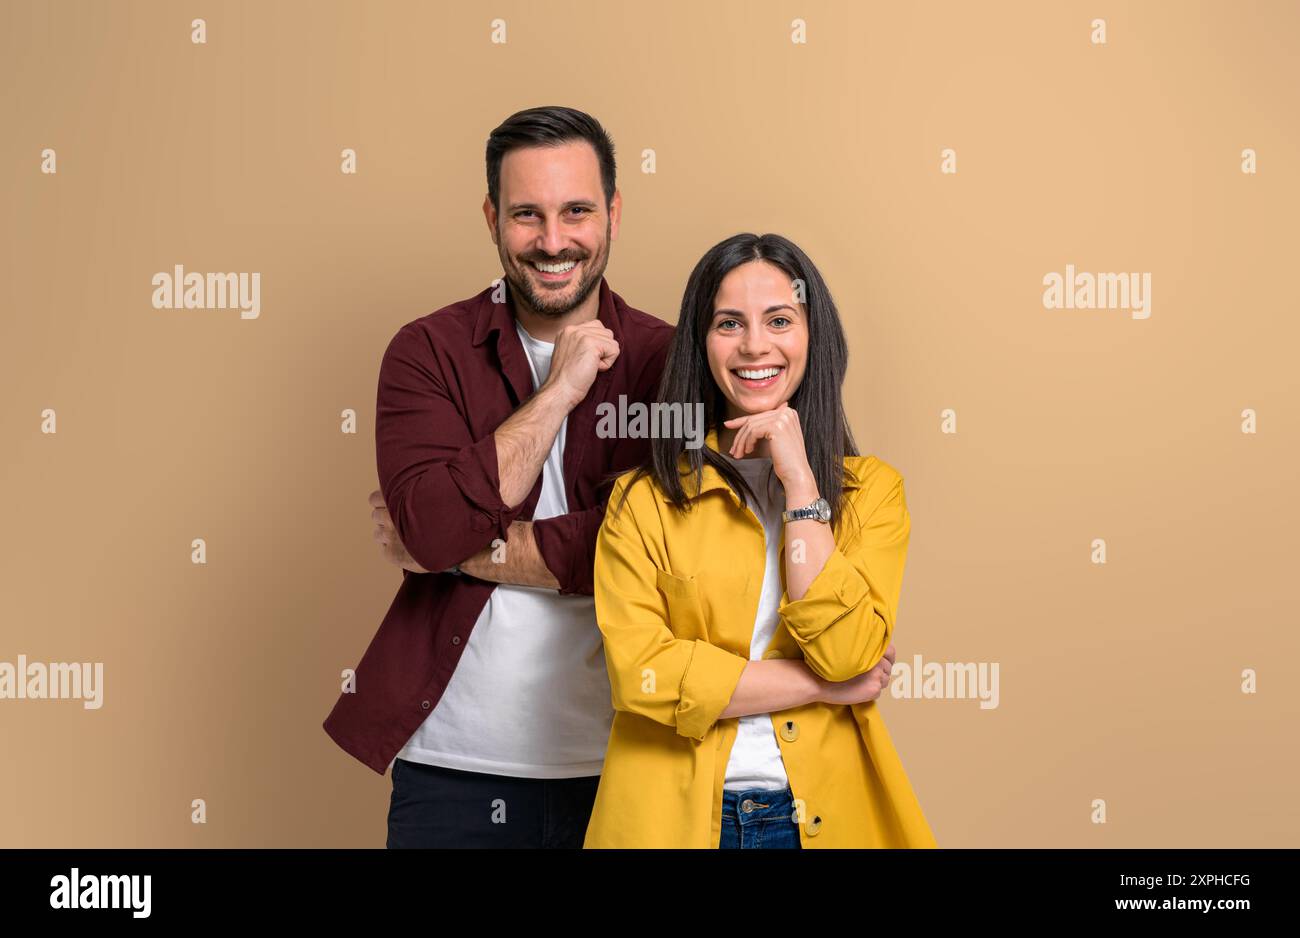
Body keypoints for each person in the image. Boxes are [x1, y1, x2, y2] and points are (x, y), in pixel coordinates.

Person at [323, 105, 674, 848]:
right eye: (527, 215)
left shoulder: (669, 362)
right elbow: (434, 524)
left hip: (628, 764)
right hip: (450, 776)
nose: (553, 242)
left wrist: (455, 548)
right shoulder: (427, 351)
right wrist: (560, 392)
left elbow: (656, 552)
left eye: (576, 210)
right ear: (492, 219)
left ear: (612, 211)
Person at [581, 233, 938, 848]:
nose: (754, 345)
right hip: (671, 824)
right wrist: (820, 688)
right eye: (728, 323)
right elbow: (642, 675)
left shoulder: (873, 494)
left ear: (812, 336)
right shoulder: (642, 502)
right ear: (701, 342)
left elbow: (849, 653)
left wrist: (801, 484)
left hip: (822, 822)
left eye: (779, 319)